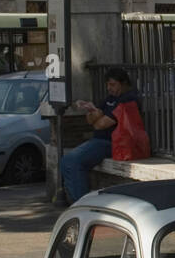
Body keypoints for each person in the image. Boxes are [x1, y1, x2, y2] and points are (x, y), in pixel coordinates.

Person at [60, 67, 143, 203]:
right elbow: (90, 120)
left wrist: (97, 115)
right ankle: (80, 202)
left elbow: (101, 124)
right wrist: (96, 114)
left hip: (112, 143)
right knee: (67, 161)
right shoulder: (110, 99)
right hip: (98, 141)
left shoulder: (128, 99)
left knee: (71, 162)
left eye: (113, 84)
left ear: (123, 84)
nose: (109, 88)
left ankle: (82, 204)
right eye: (107, 85)